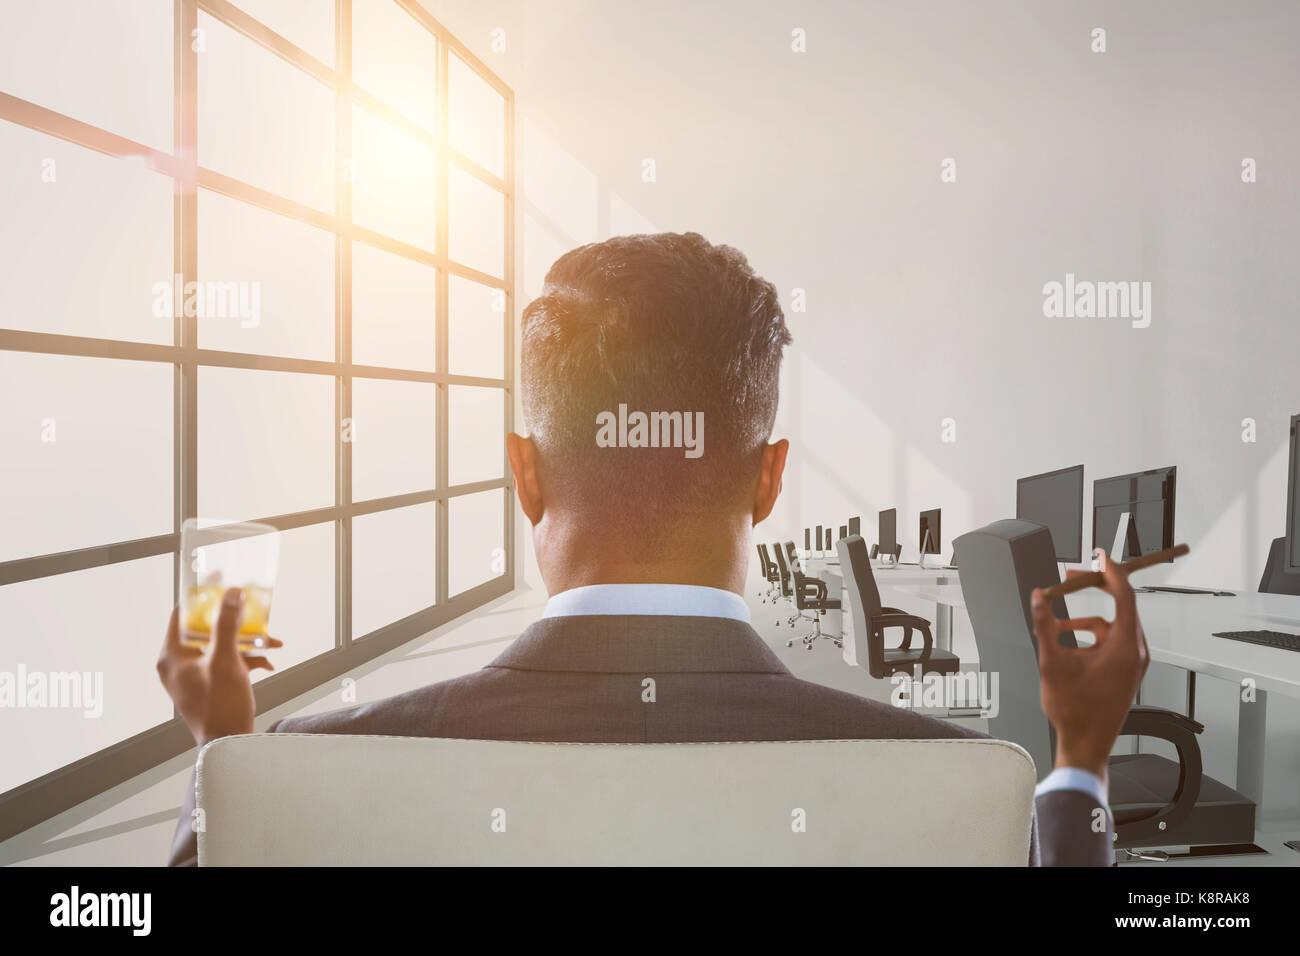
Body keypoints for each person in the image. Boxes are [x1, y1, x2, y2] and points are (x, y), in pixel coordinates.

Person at [158, 233, 1149, 866]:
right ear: (767, 480)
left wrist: (222, 760)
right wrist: (1080, 762)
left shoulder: (310, 768)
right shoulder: (965, 786)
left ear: (525, 475)